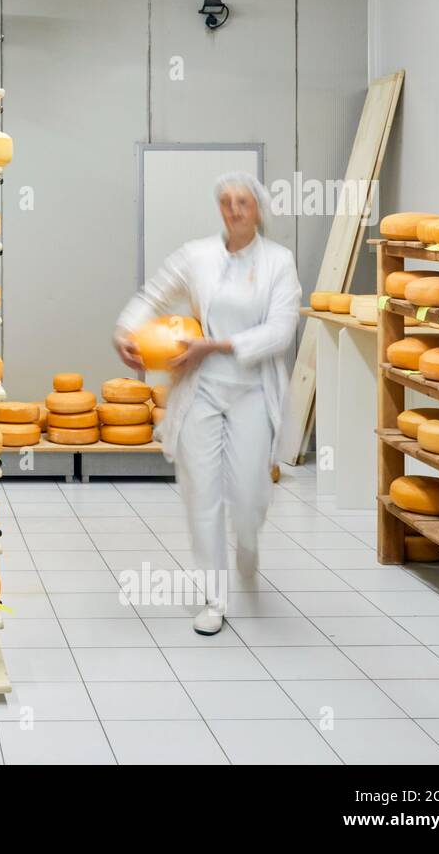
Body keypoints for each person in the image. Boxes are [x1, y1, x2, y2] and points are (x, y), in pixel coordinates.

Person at [113, 172, 301, 635]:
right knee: (202, 494)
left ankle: (250, 536)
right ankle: (214, 599)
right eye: (226, 201)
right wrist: (126, 331)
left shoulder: (279, 262)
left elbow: (280, 332)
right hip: (201, 390)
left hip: (252, 390)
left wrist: (214, 345)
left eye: (243, 202)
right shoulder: (197, 255)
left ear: (258, 209)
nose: (234, 209)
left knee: (250, 495)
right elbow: (153, 293)